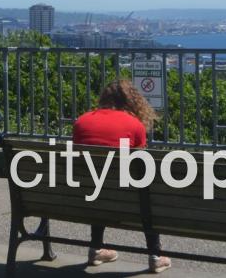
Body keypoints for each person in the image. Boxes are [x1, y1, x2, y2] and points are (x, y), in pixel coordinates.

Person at [72, 80, 171, 274]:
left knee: (97, 181)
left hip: (81, 198)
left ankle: (96, 248)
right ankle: (155, 256)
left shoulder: (82, 121)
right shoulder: (134, 125)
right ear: (131, 101)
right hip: (128, 202)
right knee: (145, 192)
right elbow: (142, 166)